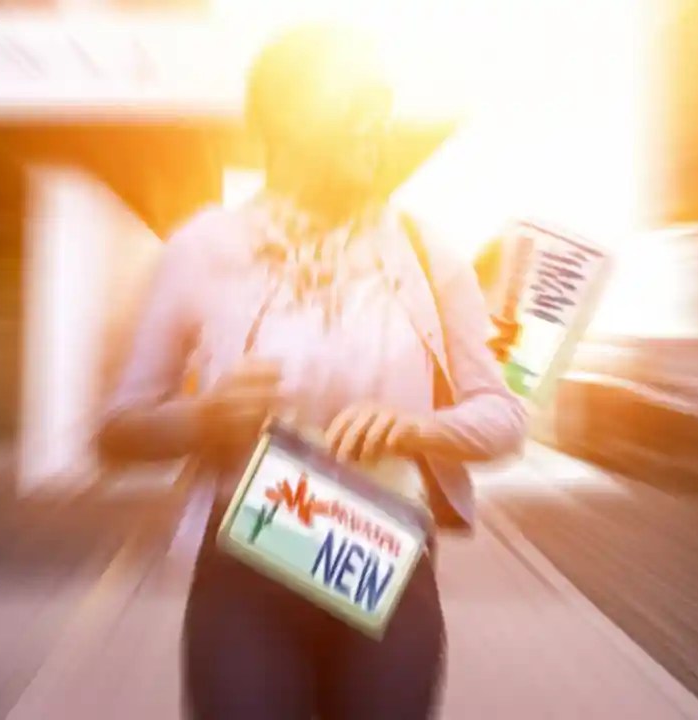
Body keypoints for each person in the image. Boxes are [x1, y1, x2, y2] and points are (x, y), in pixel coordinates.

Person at [98, 23, 527, 720]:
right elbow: (116, 431)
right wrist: (203, 418)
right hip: (250, 569)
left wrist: (419, 428)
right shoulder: (203, 249)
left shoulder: (426, 252)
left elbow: (505, 418)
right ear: (289, 115)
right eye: (360, 100)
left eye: (383, 102)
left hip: (384, 569)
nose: (378, 121)